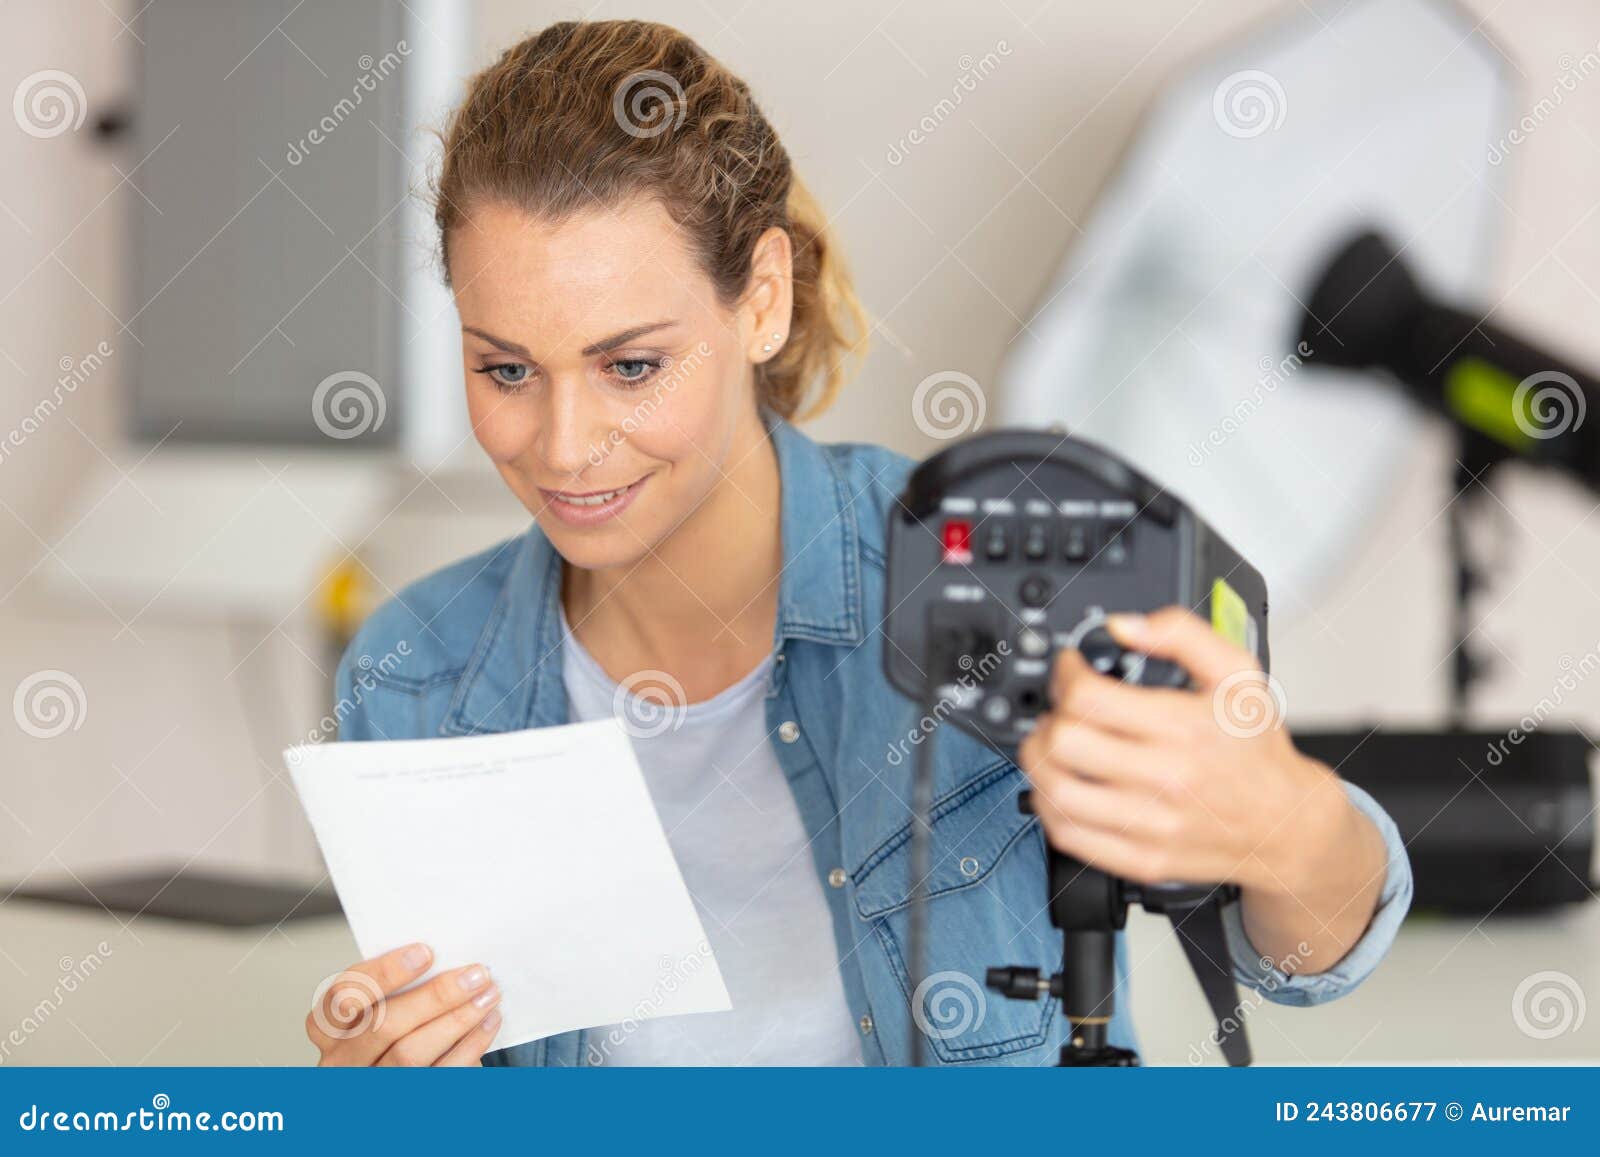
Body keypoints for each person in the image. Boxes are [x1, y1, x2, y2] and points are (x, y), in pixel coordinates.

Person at [305, 19, 1411, 1067]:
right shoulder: (413, 674)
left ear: (762, 300)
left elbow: (1315, 953)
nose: (563, 444)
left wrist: (1288, 827)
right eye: (505, 369)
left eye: (632, 366)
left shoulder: (991, 577)